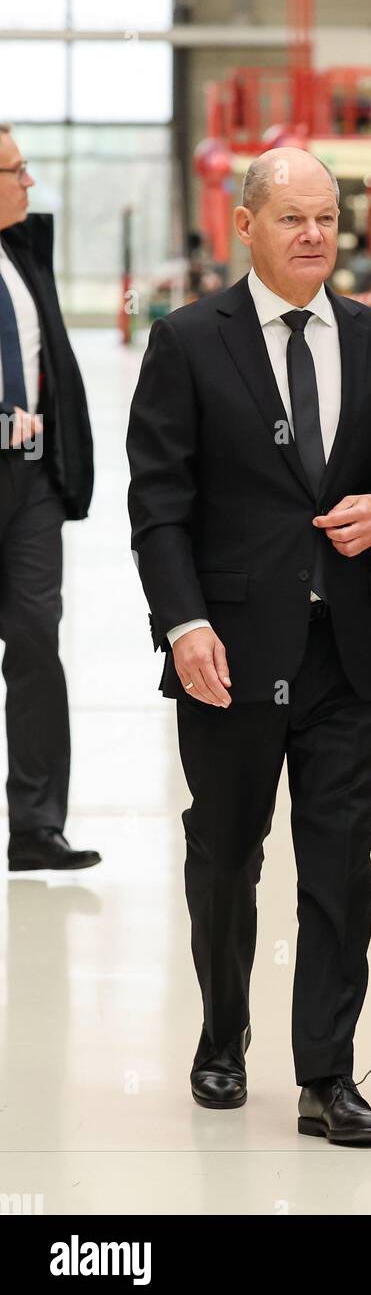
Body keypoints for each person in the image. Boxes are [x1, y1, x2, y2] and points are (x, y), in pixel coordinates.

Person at [127, 148, 371, 1144]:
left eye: (325, 219)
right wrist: (183, 622)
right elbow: (157, 502)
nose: (310, 235)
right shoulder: (186, 341)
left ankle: (327, 1073)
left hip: (346, 647)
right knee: (226, 852)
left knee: (338, 862)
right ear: (242, 224)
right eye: (290, 217)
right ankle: (221, 1036)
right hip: (229, 651)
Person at [0, 123, 97, 874]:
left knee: (36, 641)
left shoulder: (22, 257)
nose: (27, 182)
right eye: (16, 169)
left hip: (28, 483)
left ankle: (36, 825)